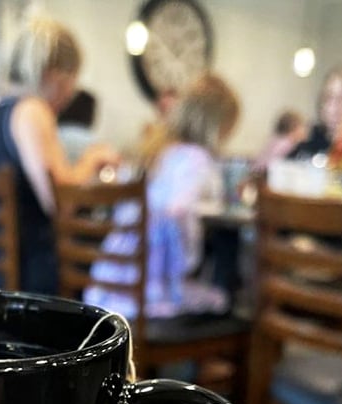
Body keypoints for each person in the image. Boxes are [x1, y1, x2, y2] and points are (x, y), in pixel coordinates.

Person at [0, 17, 119, 295]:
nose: (72, 92)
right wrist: (93, 158)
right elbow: (60, 204)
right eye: (73, 78)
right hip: (33, 279)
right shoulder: (32, 111)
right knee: (115, 268)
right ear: (55, 75)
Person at [86, 72, 240, 319]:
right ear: (217, 126)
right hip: (150, 291)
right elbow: (177, 213)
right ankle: (209, 350)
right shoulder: (197, 160)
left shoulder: (153, 151)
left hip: (113, 282)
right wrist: (187, 260)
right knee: (224, 299)